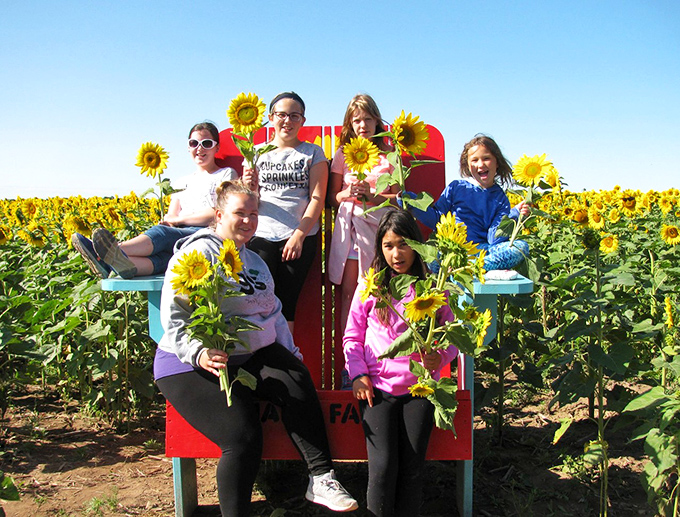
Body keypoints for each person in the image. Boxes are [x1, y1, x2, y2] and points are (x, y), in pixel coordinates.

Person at [154, 180, 358, 516]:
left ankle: (321, 478)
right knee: (243, 438)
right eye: (239, 213)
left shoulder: (255, 262)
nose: (248, 220)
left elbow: (273, 314)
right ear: (219, 215)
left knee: (295, 379)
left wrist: (290, 355)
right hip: (189, 363)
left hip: (245, 354)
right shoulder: (195, 256)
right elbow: (175, 320)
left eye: (253, 213)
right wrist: (200, 352)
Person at [343, 209, 458, 517]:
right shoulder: (372, 287)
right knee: (382, 468)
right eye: (389, 245)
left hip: (418, 389)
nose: (397, 253)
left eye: (404, 244)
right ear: (380, 248)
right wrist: (357, 375)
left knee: (412, 467)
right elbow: (352, 337)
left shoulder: (433, 288)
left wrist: (441, 355)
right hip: (376, 389)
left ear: (417, 245)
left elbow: (453, 335)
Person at [72, 122, 237, 279]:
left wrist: (177, 221)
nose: (199, 148)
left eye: (206, 143)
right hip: (180, 233)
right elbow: (171, 214)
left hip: (208, 233)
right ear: (188, 148)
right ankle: (111, 265)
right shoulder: (181, 182)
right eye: (194, 143)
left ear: (217, 147)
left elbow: (220, 213)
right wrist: (169, 221)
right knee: (167, 258)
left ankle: (109, 252)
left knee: (163, 235)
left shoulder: (226, 174)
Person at [242, 92, 328, 331]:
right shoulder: (255, 152)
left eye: (294, 115)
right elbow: (250, 201)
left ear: (302, 120)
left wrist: (299, 236)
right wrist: (248, 186)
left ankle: (285, 358)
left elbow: (317, 198)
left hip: (300, 236)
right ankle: (261, 357)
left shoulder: (312, 153)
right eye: (281, 115)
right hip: (261, 235)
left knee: (287, 303)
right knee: (260, 302)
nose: (287, 121)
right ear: (271, 118)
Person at [327, 94, 399, 332]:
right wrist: (347, 192)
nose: (363, 125)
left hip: (380, 233)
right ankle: (351, 358)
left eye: (368, 119)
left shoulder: (390, 155)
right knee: (349, 295)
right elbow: (332, 198)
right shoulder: (343, 154)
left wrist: (371, 195)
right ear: (350, 124)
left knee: (380, 291)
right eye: (357, 120)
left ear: (377, 121)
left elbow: (400, 201)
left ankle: (378, 351)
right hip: (351, 235)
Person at [406, 134, 530, 270]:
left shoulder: (500, 199)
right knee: (433, 258)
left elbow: (493, 239)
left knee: (521, 247)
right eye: (474, 160)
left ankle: (469, 267)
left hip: (482, 251)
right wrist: (411, 201)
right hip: (454, 248)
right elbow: (436, 218)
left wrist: (514, 214)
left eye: (486, 158)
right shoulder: (457, 188)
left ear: (497, 162)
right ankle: (475, 269)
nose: (480, 164)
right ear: (468, 165)